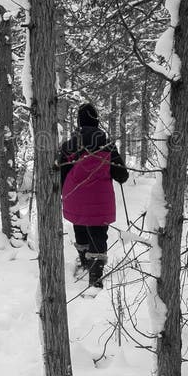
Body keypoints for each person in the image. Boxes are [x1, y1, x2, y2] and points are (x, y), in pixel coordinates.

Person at [59, 102, 128, 289]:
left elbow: (60, 175)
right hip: (100, 201)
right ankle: (95, 279)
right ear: (97, 121)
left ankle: (83, 263)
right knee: (98, 235)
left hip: (75, 198)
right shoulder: (108, 146)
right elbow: (122, 176)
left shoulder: (68, 146)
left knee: (80, 228)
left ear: (79, 122)